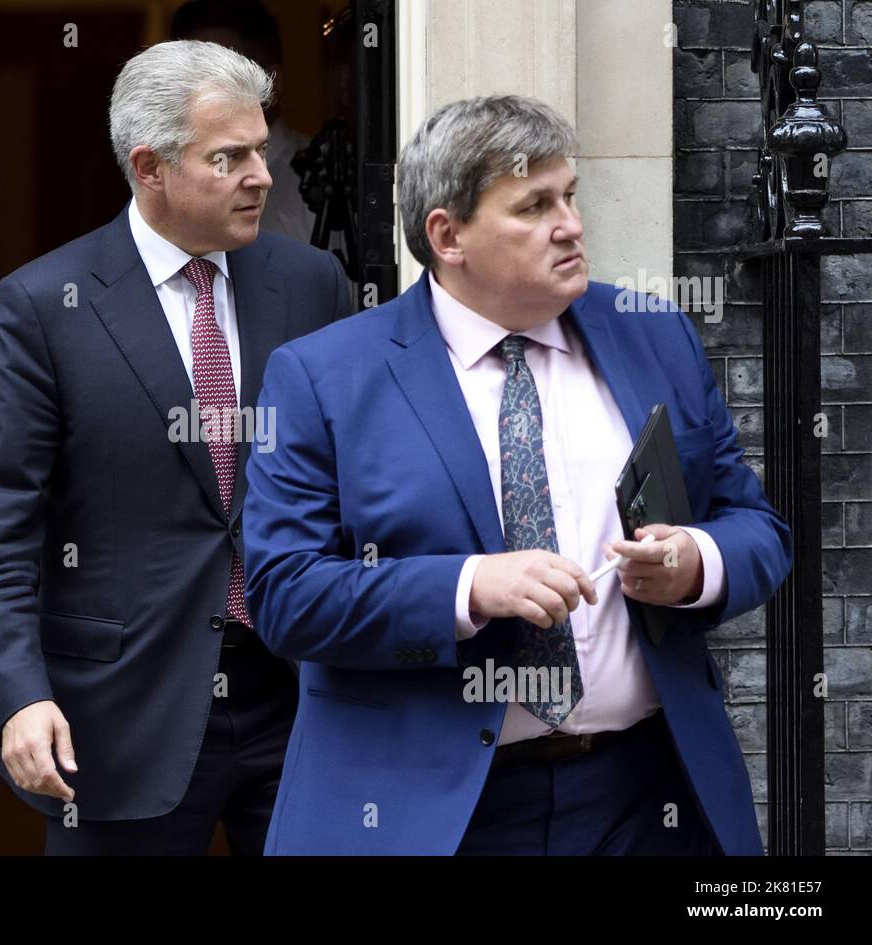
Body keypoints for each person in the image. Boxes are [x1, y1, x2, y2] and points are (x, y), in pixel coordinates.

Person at [242, 95, 793, 855]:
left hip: (647, 795)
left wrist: (698, 561)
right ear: (448, 234)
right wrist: (469, 588)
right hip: (430, 813)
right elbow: (285, 594)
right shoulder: (324, 376)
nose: (569, 224)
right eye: (533, 205)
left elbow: (755, 525)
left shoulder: (654, 333)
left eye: (569, 196)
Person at [0, 39, 354, 855]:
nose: (263, 175)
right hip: (120, 712)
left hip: (299, 697)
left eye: (262, 147)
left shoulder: (310, 283)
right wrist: (17, 694)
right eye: (229, 157)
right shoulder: (43, 305)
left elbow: (353, 477)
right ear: (151, 166)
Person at [172, 0, 317, 243]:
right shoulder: (165, 169)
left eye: (226, 73)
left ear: (273, 81)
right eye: (190, 74)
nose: (204, 88)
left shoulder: (315, 181)